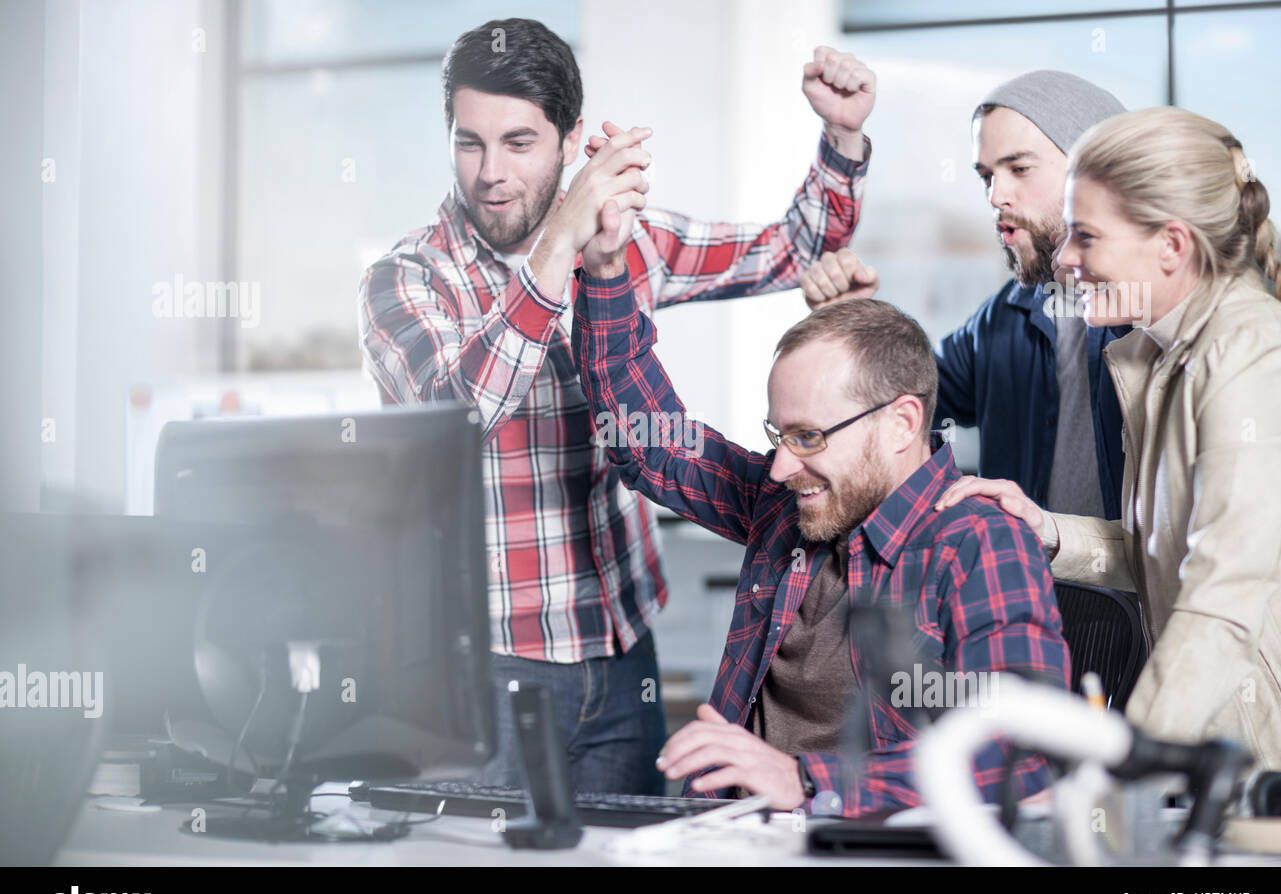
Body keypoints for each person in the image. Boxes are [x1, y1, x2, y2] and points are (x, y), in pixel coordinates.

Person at [357, 17, 876, 794]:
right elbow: (460, 415)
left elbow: (792, 250)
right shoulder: (407, 278)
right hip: (486, 669)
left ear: (570, 142)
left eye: (519, 142)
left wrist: (839, 139)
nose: (491, 172)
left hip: (621, 651)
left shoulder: (622, 241)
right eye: (471, 142)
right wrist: (558, 245)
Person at [571, 193, 1069, 813]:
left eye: (808, 436)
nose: (781, 465)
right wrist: (604, 271)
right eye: (778, 435)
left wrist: (805, 780)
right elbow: (651, 444)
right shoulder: (791, 502)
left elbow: (1020, 753)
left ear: (900, 423)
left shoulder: (978, 542)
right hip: (729, 836)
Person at [936, 106, 1281, 771]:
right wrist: (1045, 529)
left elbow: (1223, 595)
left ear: (1171, 245)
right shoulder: (1149, 359)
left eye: (1086, 237)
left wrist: (1124, 754)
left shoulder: (1251, 353)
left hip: (1270, 752)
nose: (1065, 259)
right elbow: (1158, 555)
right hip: (1213, 738)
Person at [801, 71, 1130, 519]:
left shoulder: (1161, 318)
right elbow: (903, 403)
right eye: (986, 177)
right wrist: (852, 323)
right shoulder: (1006, 316)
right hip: (1022, 585)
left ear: (1095, 171)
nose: (996, 197)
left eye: (1019, 169)